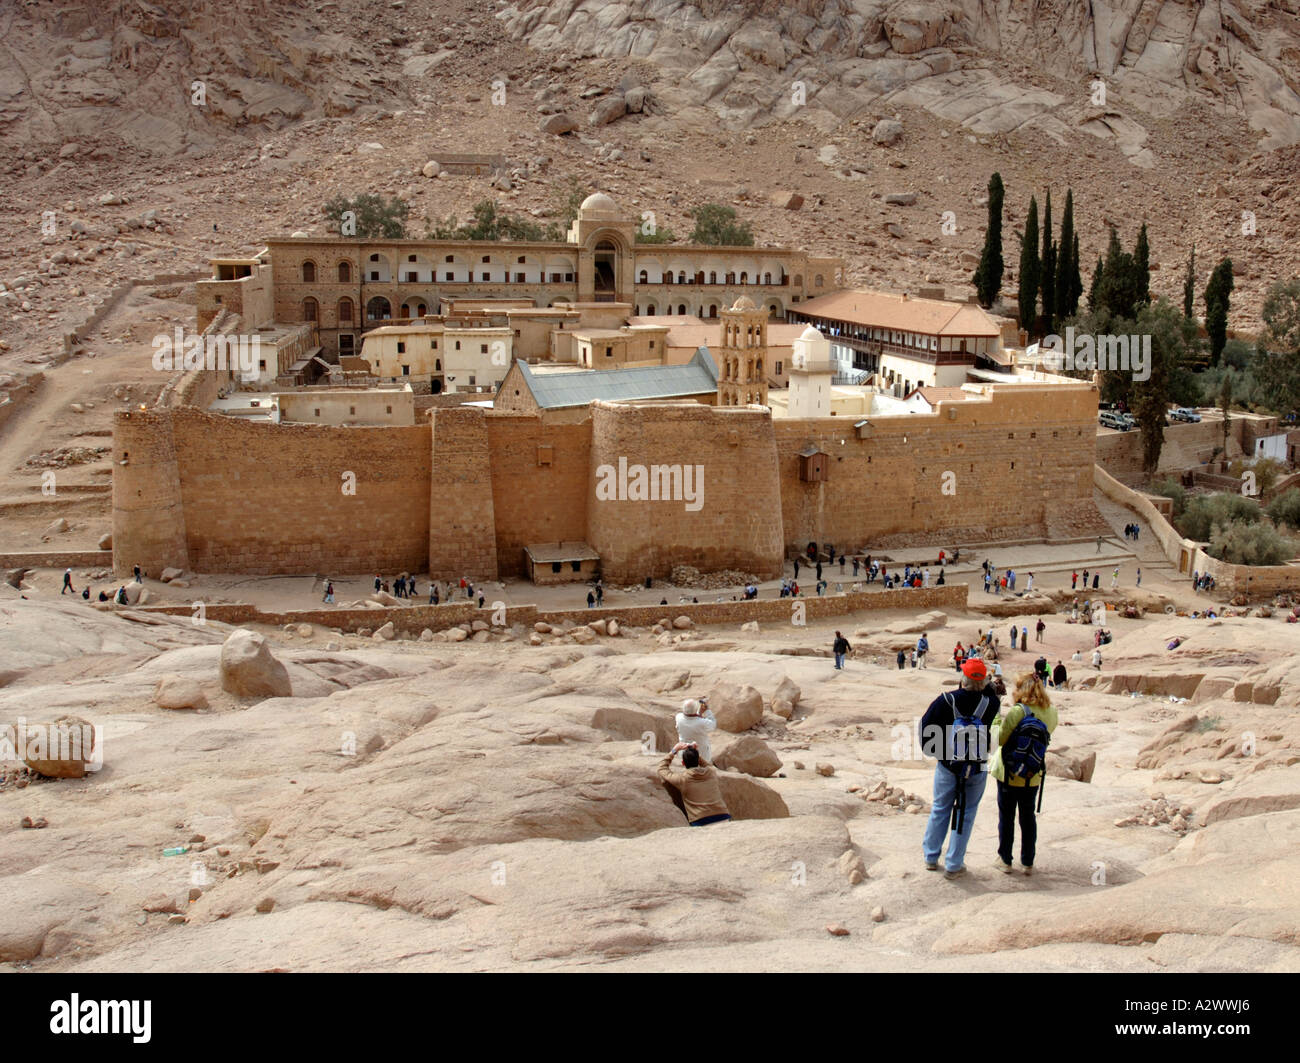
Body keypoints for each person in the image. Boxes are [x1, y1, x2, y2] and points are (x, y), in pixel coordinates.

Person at [921, 658, 1000, 878]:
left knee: (940, 808)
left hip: (948, 765)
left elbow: (926, 729)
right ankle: (954, 864)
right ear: (984, 680)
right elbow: (993, 705)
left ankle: (930, 857)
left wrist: (938, 753)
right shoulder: (991, 703)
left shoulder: (946, 700)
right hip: (976, 766)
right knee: (966, 812)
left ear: (962, 677)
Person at [988, 671, 1058, 876]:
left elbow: (999, 740)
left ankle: (1005, 859)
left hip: (1009, 773)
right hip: (1032, 774)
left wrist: (995, 718)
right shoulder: (1051, 712)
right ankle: (1028, 861)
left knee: (1007, 816)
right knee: (1028, 818)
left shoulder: (1019, 711)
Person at [657, 742, 731, 826]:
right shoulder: (711, 772)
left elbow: (661, 768)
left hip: (700, 820)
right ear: (697, 760)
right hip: (722, 816)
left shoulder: (682, 779)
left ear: (683, 763)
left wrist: (674, 750)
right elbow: (707, 765)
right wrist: (694, 752)